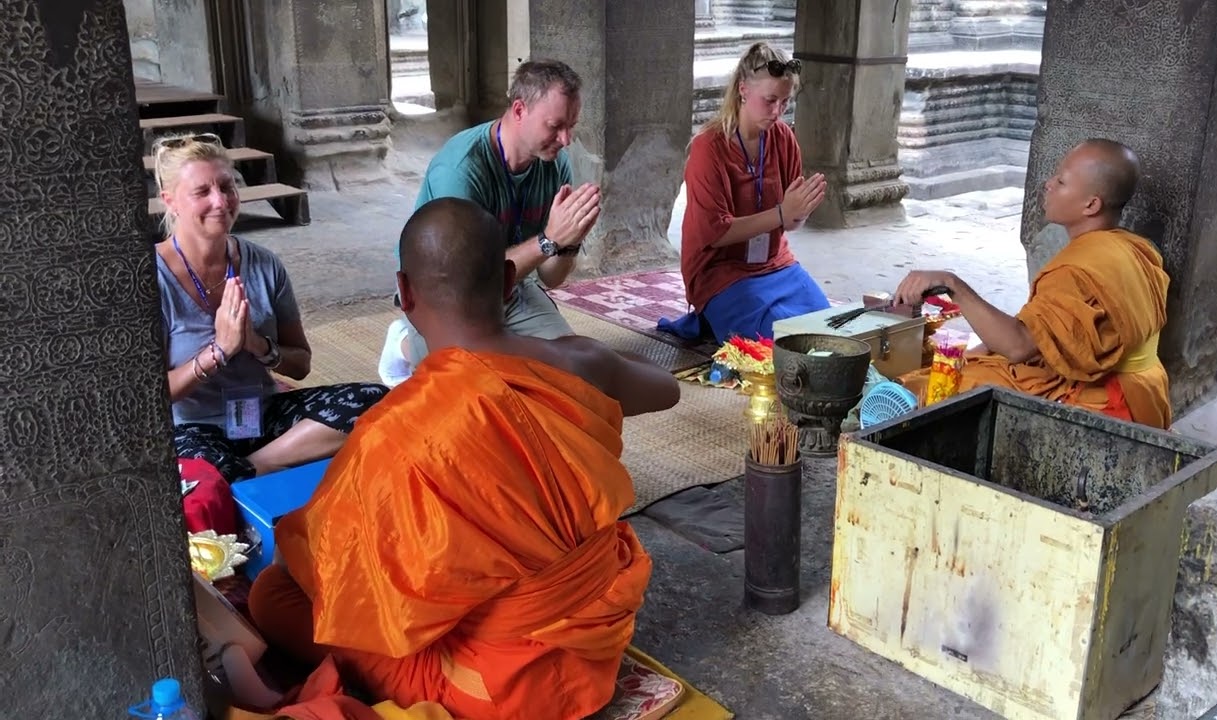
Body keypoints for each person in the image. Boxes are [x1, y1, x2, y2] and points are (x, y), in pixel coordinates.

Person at [248, 197, 682, 720]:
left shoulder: (396, 428)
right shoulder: (579, 361)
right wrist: (593, 355)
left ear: (403, 294)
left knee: (274, 594)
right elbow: (666, 391)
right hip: (596, 642)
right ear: (507, 280)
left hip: (497, 692)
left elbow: (329, 566)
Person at [154, 133, 388, 481]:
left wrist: (258, 345)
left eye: (227, 186)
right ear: (170, 200)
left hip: (261, 415)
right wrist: (218, 352)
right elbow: (151, 396)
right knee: (196, 475)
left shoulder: (264, 264)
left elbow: (301, 365)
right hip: (194, 430)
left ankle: (254, 467)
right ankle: (257, 469)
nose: (221, 201)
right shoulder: (152, 280)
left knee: (378, 401)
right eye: (202, 192)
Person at [893, 138, 1172, 429]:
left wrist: (952, 284)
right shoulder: (1137, 248)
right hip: (1148, 393)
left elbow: (1019, 346)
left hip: (1107, 401)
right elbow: (1056, 332)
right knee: (966, 360)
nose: (1048, 185)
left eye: (1062, 182)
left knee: (928, 388)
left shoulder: (1077, 269)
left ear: (1091, 204)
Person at [378, 59, 601, 386]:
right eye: (555, 126)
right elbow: (466, 283)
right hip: (446, 296)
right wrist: (547, 240)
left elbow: (550, 277)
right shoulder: (462, 169)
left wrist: (569, 240)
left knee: (572, 377)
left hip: (512, 287)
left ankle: (501, 338)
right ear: (520, 110)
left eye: (572, 125)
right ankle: (404, 340)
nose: (566, 139)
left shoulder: (555, 165)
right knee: (467, 384)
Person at [658, 42, 829, 345]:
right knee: (783, 342)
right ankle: (713, 314)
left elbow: (789, 224)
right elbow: (715, 232)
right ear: (743, 90)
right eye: (770, 100)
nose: (777, 112)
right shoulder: (708, 148)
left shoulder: (783, 138)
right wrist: (780, 213)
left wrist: (798, 212)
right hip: (721, 272)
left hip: (776, 264)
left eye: (785, 102)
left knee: (826, 329)